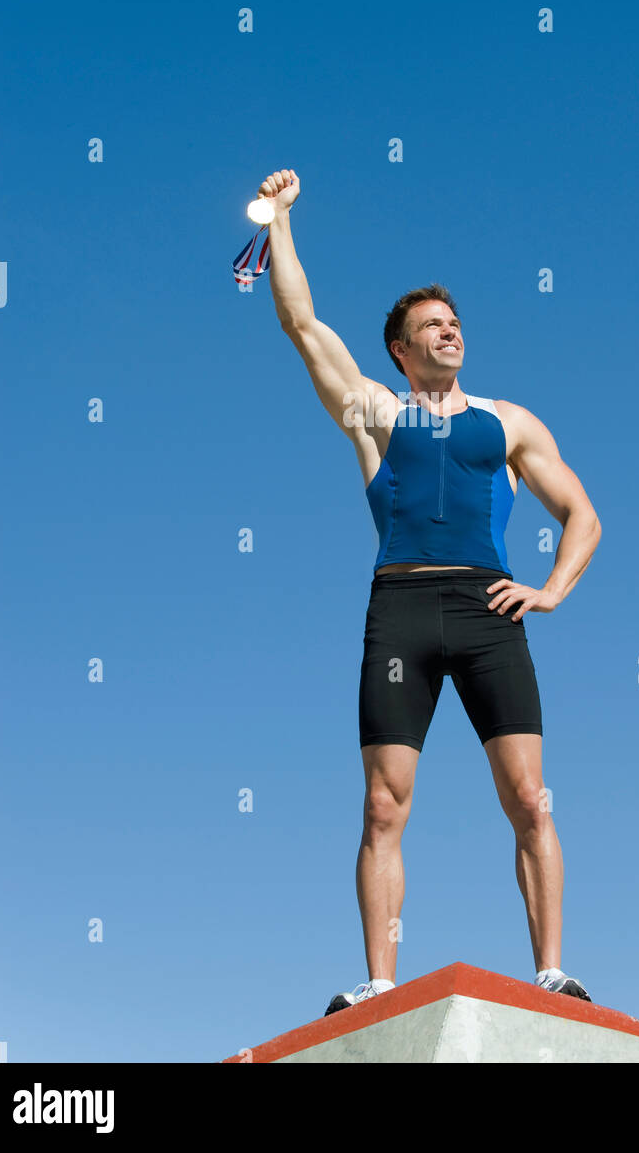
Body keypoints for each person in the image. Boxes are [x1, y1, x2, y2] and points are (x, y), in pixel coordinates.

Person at [257, 168, 602, 1014]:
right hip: (402, 611)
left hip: (488, 611)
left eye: (453, 323)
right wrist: (278, 222)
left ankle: (551, 973)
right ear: (401, 350)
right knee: (382, 803)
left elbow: (582, 512)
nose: (448, 334)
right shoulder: (374, 413)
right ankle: (378, 984)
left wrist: (551, 589)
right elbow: (303, 324)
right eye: (430, 328)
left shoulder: (509, 421)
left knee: (529, 797)